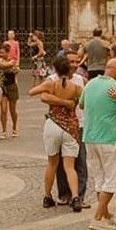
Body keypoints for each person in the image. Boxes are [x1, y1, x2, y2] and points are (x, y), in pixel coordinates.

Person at [81, 59, 116, 230]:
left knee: (99, 179)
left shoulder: (89, 84)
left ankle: (105, 214)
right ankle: (97, 218)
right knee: (111, 180)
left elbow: (81, 104)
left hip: (89, 137)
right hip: (109, 138)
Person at [30, 54, 83, 209]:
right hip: (71, 126)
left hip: (53, 123)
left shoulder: (51, 84)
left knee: (52, 163)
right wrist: (70, 102)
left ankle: (47, 196)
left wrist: (48, 94)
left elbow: (32, 92)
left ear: (55, 69)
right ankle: (75, 197)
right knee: (70, 166)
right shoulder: (77, 87)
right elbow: (83, 102)